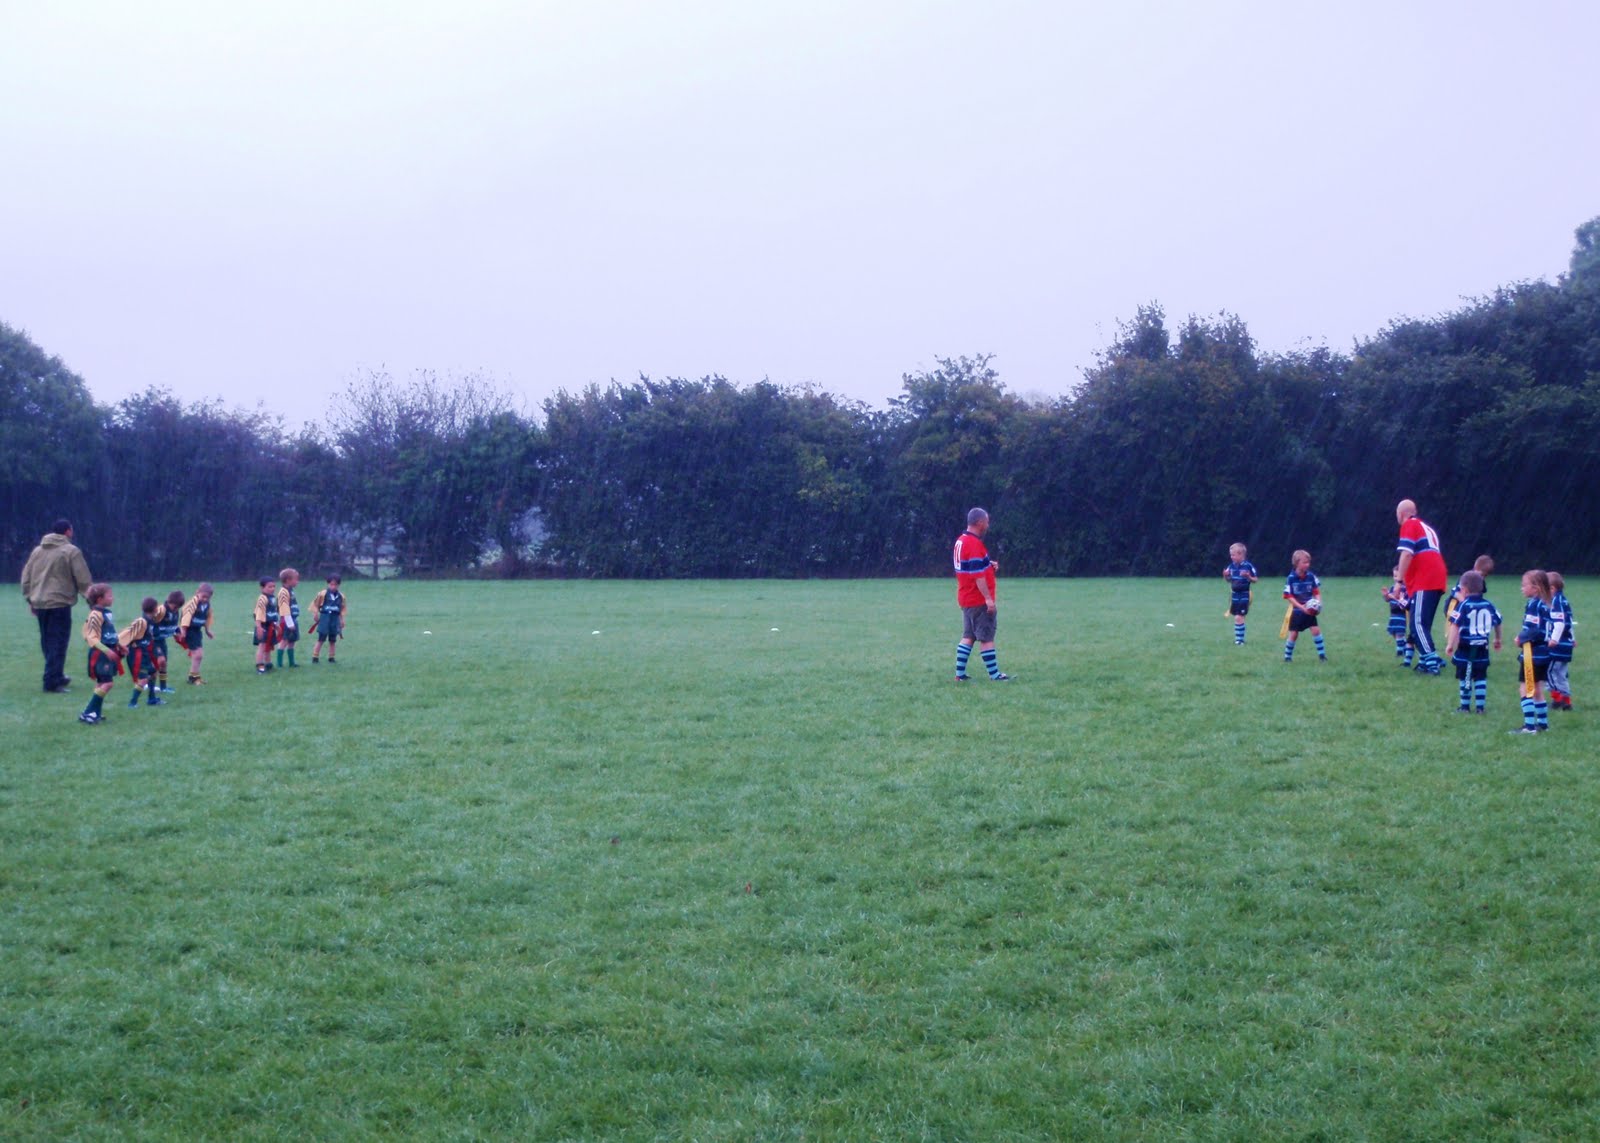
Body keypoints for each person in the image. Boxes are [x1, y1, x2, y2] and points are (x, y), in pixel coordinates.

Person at [20, 518, 93, 693]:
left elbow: (26, 577)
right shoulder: (71, 551)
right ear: (68, 531)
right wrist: (92, 600)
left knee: (47, 641)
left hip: (40, 603)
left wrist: (30, 599)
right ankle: (51, 682)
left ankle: (57, 675)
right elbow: (82, 578)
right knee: (58, 642)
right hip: (59, 603)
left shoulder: (37, 551)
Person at [952, 507, 1010, 681]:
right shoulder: (974, 544)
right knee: (986, 637)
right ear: (979, 523)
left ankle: (960, 675)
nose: (988, 524)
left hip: (965, 597)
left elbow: (968, 565)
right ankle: (995, 675)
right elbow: (977, 577)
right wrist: (988, 600)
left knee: (968, 636)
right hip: (977, 599)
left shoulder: (961, 541)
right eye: (987, 521)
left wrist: (988, 564)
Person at [1394, 500, 1448, 674]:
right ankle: (1426, 661)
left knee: (1417, 625)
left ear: (1401, 514)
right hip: (1437, 577)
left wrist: (1399, 581)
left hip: (1425, 579)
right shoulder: (1426, 527)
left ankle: (1432, 662)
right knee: (1423, 624)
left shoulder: (1409, 524)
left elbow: (1407, 553)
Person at [1444, 570, 1501, 714]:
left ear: (1463, 590)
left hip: (1466, 647)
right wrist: (1497, 638)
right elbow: (1498, 621)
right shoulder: (1489, 605)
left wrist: (1450, 644)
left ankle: (1464, 707)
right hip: (1483, 647)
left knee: (1465, 676)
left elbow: (1455, 625)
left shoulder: (1463, 605)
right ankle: (1480, 708)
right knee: (1481, 676)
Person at [1511, 569, 1553, 735]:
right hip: (1544, 654)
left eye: (1524, 585)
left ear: (1535, 588)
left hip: (1532, 655)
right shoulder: (1546, 603)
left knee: (1525, 688)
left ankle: (1529, 726)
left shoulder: (1534, 604)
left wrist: (1521, 638)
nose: (1522, 588)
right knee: (1537, 689)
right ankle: (1543, 724)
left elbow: (1535, 630)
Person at [78, 583, 121, 725]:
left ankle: (95, 713)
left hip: (107, 651)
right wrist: (106, 650)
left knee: (102, 683)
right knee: (107, 683)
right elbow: (91, 637)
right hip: (100, 653)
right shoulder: (95, 615)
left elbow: (110, 633)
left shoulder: (106, 613)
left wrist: (119, 646)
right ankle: (88, 712)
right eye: (109, 595)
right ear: (99, 599)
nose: (112, 598)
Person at [118, 596, 167, 708]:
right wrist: (117, 644)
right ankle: (132, 703)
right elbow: (126, 633)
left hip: (144, 653)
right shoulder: (142, 621)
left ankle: (151, 699)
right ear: (155, 609)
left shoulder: (150, 621)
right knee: (143, 679)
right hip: (137, 654)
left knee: (153, 672)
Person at [1282, 549, 1327, 663]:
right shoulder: (1291, 578)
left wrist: (1318, 603)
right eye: (1305, 562)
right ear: (1297, 563)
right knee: (1294, 634)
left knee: (1316, 630)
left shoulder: (1311, 576)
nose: (1308, 565)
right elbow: (1288, 596)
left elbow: (1316, 591)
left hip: (1310, 611)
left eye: (1308, 562)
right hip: (1297, 611)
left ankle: (1322, 656)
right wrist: (1302, 607)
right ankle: (1287, 657)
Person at [1546, 571, 1575, 710]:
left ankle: (1557, 699)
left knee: (1548, 671)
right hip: (1567, 644)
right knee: (1561, 674)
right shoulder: (1564, 600)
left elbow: (1559, 623)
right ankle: (1567, 702)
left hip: (1557, 645)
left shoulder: (1556, 601)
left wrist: (1553, 640)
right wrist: (1573, 639)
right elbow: (1569, 621)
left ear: (1551, 588)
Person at [178, 582, 216, 685]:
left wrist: (208, 630)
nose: (205, 599)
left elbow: (208, 617)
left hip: (197, 631)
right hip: (189, 630)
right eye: (203, 596)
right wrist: (183, 630)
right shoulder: (192, 603)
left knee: (199, 655)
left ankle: (194, 677)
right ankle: (193, 678)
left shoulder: (207, 605)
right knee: (198, 654)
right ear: (197, 592)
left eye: (207, 598)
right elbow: (186, 616)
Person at [151, 590, 186, 694]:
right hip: (153, 641)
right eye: (175, 607)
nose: (176, 609)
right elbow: (148, 619)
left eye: (178, 608)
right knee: (160, 661)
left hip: (161, 641)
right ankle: (146, 683)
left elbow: (173, 626)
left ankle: (163, 687)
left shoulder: (175, 612)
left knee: (163, 664)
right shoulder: (161, 610)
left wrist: (179, 632)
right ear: (169, 602)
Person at [1222, 543, 1258, 645]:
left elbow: (1255, 579)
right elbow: (1229, 580)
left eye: (1233, 555)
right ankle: (1239, 639)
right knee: (1236, 617)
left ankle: (1240, 640)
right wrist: (1225, 576)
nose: (1231, 557)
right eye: (1231, 555)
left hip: (1244, 595)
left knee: (1239, 617)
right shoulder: (1231, 566)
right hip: (1234, 595)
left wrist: (1248, 577)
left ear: (1241, 555)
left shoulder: (1248, 566)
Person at [310, 574, 347, 664]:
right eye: (331, 584)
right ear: (328, 584)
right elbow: (315, 604)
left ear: (339, 585)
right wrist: (315, 614)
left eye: (335, 585)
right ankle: (315, 657)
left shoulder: (341, 596)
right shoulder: (323, 594)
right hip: (325, 618)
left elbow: (342, 609)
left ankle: (331, 657)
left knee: (333, 639)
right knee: (321, 638)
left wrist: (342, 620)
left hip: (335, 619)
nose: (333, 587)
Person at [275, 567, 302, 669]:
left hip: (293, 619)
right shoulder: (283, 592)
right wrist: (289, 623)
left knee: (292, 641)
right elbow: (284, 608)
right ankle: (279, 663)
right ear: (288, 580)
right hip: (287, 621)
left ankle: (292, 662)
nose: (297, 581)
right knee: (284, 641)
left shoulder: (291, 590)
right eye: (296, 579)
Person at [253, 575, 279, 675]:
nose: (272, 589)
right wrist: (259, 627)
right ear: (262, 588)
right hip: (262, 626)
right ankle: (260, 666)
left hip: (270, 625)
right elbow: (258, 614)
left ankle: (268, 663)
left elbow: (273, 613)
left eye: (273, 586)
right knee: (262, 646)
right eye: (269, 587)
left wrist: (276, 624)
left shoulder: (272, 598)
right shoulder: (262, 598)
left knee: (269, 645)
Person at [1381, 578, 1410, 664]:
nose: (1396, 578)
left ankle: (1399, 652)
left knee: (1399, 633)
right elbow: (1387, 600)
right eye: (1394, 575)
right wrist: (1386, 595)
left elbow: (1404, 604)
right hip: (1393, 615)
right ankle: (1405, 645)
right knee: (1394, 633)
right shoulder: (1393, 587)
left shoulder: (1405, 589)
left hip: (1401, 614)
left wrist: (1394, 597)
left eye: (1398, 575)